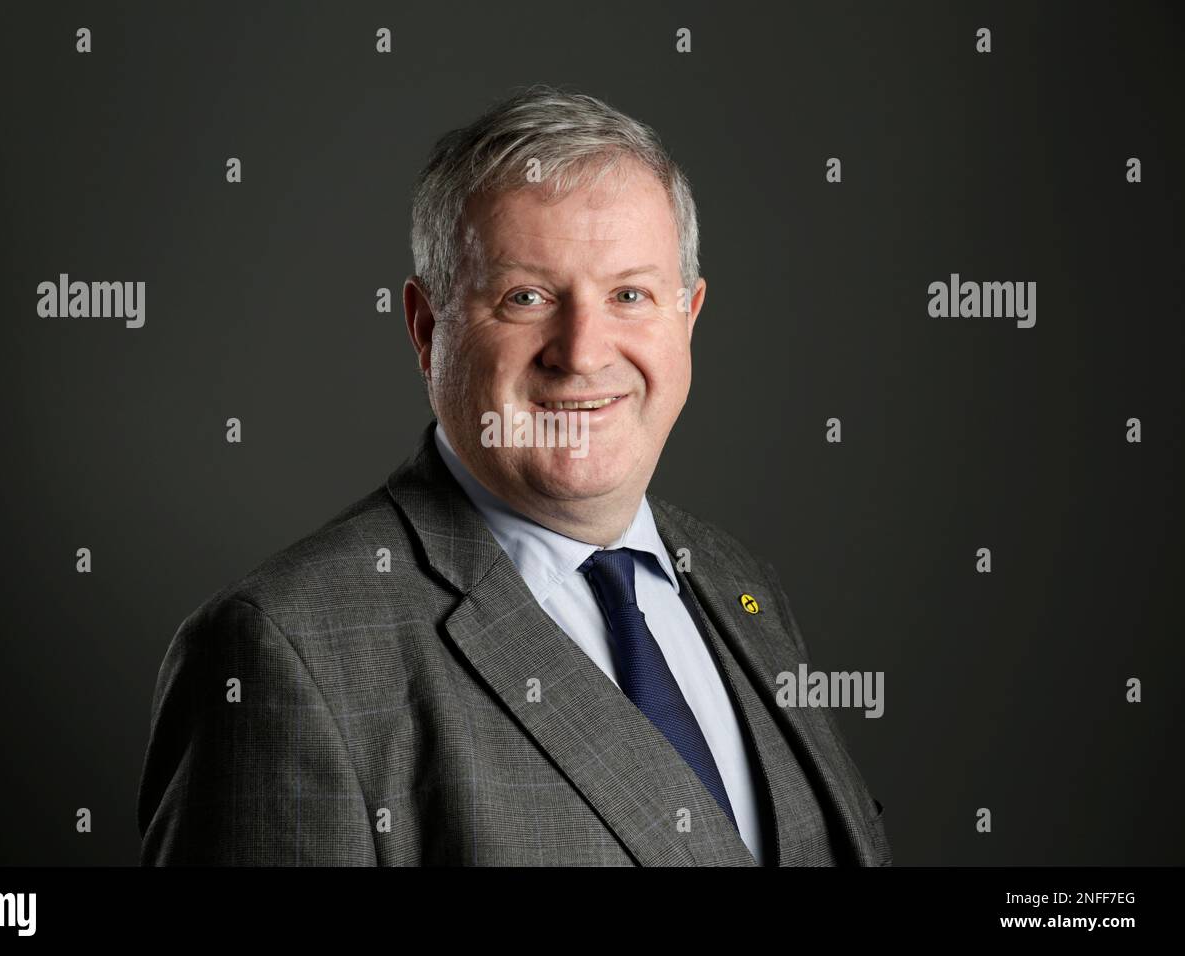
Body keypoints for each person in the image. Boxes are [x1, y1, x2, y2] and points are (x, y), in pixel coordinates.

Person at [137, 83, 891, 866]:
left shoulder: (742, 586)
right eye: (525, 297)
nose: (583, 352)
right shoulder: (288, 653)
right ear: (429, 330)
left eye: (630, 294)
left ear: (688, 319)